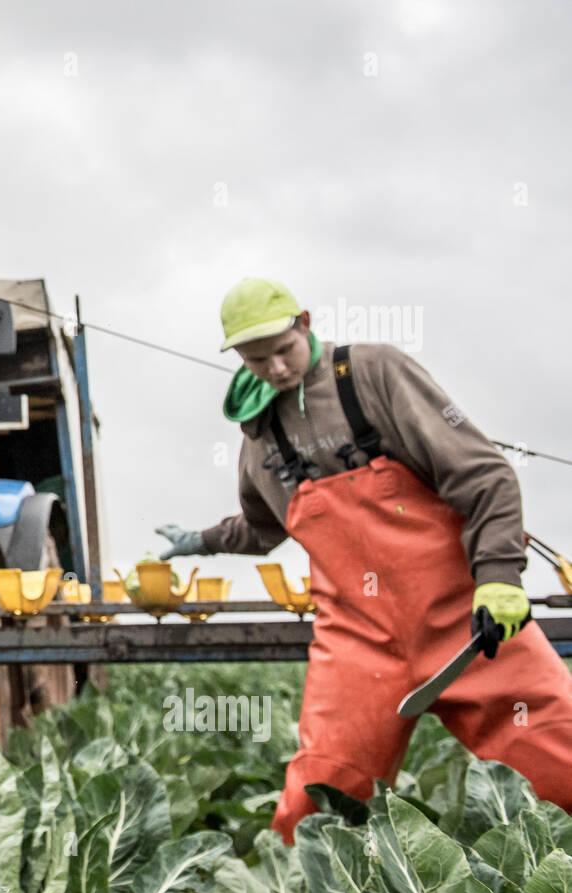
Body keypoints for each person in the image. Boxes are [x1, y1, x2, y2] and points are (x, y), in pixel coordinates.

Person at [157, 277, 572, 843]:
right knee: (320, 800)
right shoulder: (259, 435)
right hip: (358, 638)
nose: (276, 369)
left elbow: (484, 475)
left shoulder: (373, 375)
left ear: (304, 323)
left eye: (283, 350)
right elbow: (260, 528)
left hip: (467, 621)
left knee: (558, 756)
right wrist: (200, 541)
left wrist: (499, 579)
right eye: (258, 361)